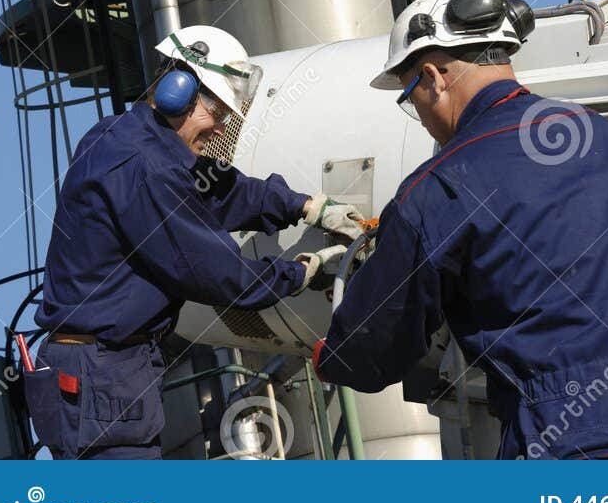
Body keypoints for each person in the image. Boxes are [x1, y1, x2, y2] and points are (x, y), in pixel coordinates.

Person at [315, 0, 608, 461]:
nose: (422, 118)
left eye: (411, 97)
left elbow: (372, 352)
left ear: (433, 76)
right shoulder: (598, 132)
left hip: (596, 446)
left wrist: (330, 358)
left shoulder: (439, 189)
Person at [25, 26, 359, 459]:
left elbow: (218, 191)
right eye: (216, 112)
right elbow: (221, 275)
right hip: (101, 375)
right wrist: (300, 273)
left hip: (106, 369)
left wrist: (304, 205)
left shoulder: (123, 138)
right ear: (176, 90)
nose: (220, 129)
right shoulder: (144, 167)